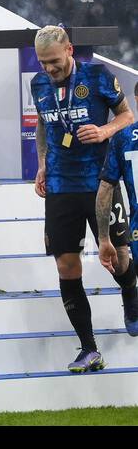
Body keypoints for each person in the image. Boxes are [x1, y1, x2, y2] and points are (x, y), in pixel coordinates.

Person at [30, 25, 133, 371]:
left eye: (55, 62)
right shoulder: (39, 84)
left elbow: (127, 115)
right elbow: (43, 125)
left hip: (100, 180)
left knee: (118, 258)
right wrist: (42, 164)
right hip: (60, 186)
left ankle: (130, 290)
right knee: (67, 266)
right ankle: (89, 349)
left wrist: (104, 130)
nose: (49, 70)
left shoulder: (98, 75)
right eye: (43, 63)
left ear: (70, 50)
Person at [95, 95, 138, 336]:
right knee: (122, 264)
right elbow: (106, 188)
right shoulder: (123, 138)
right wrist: (103, 238)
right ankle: (130, 293)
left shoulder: (122, 138)